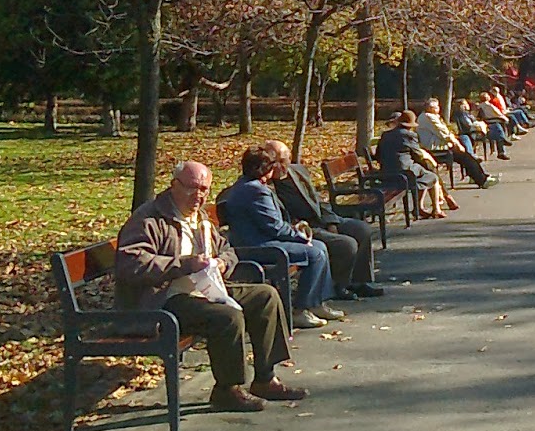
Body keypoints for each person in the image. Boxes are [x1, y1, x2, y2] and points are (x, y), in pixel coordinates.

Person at [116, 161, 307, 413]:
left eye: (204, 189)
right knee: (227, 316)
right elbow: (131, 263)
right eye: (192, 188)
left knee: (265, 296)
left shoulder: (201, 218)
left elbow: (227, 249)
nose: (199, 195)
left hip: (204, 289)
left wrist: (224, 263)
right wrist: (184, 264)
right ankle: (227, 390)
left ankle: (265, 379)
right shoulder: (150, 218)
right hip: (163, 299)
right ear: (174, 185)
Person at [218, 143, 347, 330]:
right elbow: (275, 227)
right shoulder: (256, 191)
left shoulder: (246, 185)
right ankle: (301, 309)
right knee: (315, 252)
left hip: (259, 240)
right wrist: (300, 235)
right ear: (265, 169)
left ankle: (316, 303)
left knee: (319, 247)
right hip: (257, 247)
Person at [270, 145, 385, 300]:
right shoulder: (267, 184)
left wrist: (331, 222)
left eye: (284, 160)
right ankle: (339, 286)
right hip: (301, 229)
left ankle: (358, 282)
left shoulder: (297, 171)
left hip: (319, 218)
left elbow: (318, 201)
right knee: (346, 244)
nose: (282, 166)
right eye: (277, 162)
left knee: (361, 229)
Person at [374, 109, 453, 218]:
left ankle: (419, 208)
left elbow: (378, 155)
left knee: (423, 175)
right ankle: (436, 209)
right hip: (405, 172)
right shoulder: (409, 135)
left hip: (386, 173)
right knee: (432, 177)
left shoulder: (385, 135)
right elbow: (417, 154)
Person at [417, 98, 500, 189]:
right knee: (465, 157)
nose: (439, 108)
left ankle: (478, 176)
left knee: (466, 154)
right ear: (430, 108)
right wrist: (457, 144)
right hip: (436, 148)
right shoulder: (429, 117)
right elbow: (443, 133)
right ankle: (482, 180)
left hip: (438, 145)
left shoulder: (426, 116)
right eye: (437, 106)